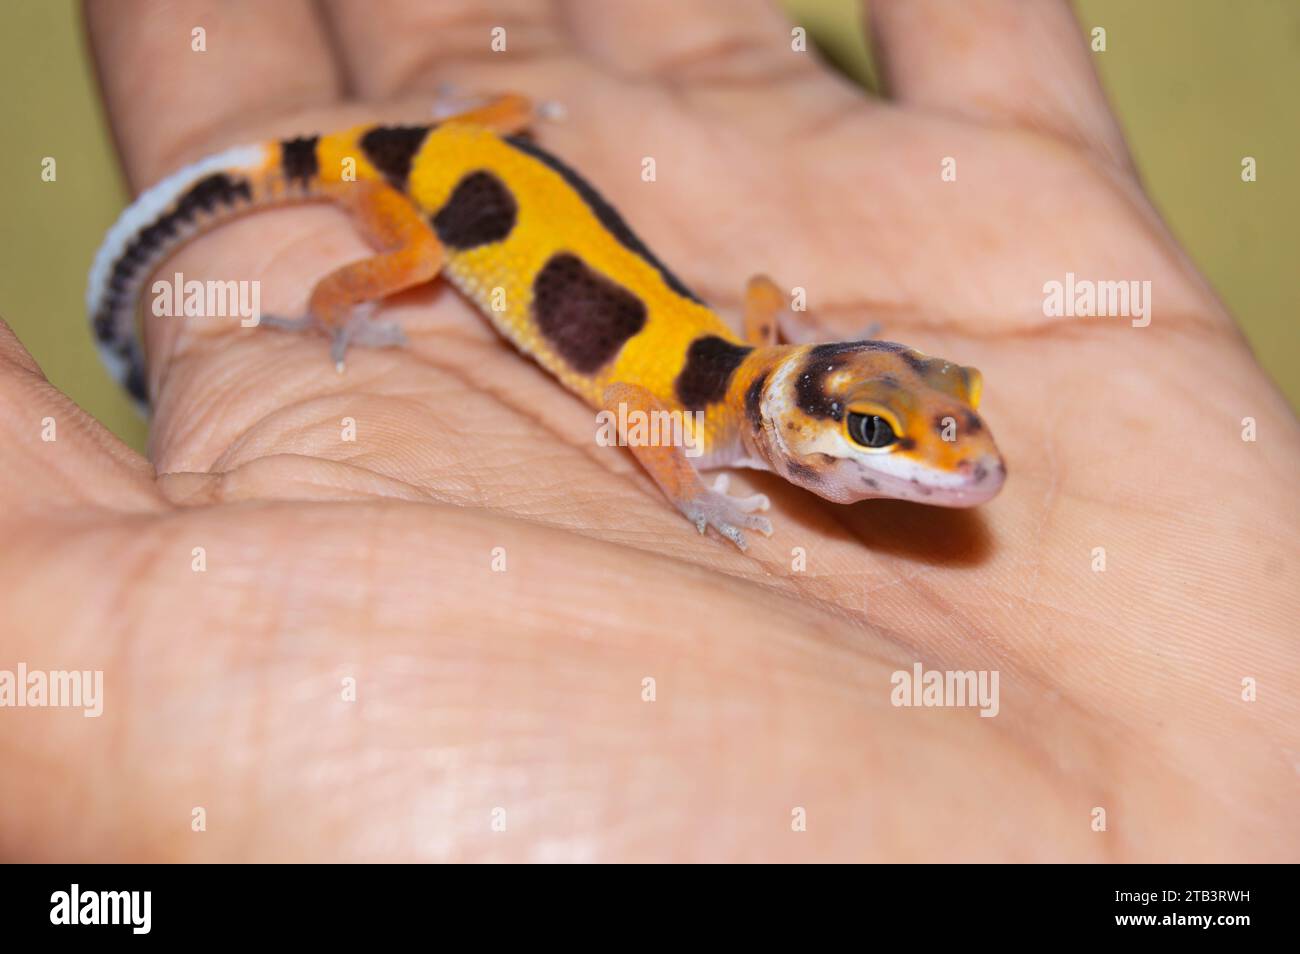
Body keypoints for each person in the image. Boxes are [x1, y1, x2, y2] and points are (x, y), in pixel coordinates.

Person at [1, 0, 1294, 861]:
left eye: (929, 428)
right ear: (808, 425)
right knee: (410, 267)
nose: (950, 459)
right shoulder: (703, 410)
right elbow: (633, 408)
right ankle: (337, 289)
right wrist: (689, 497)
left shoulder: (759, 375)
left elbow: (764, 307)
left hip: (480, 154)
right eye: (889, 433)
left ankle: (478, 128)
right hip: (423, 185)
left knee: (493, 168)